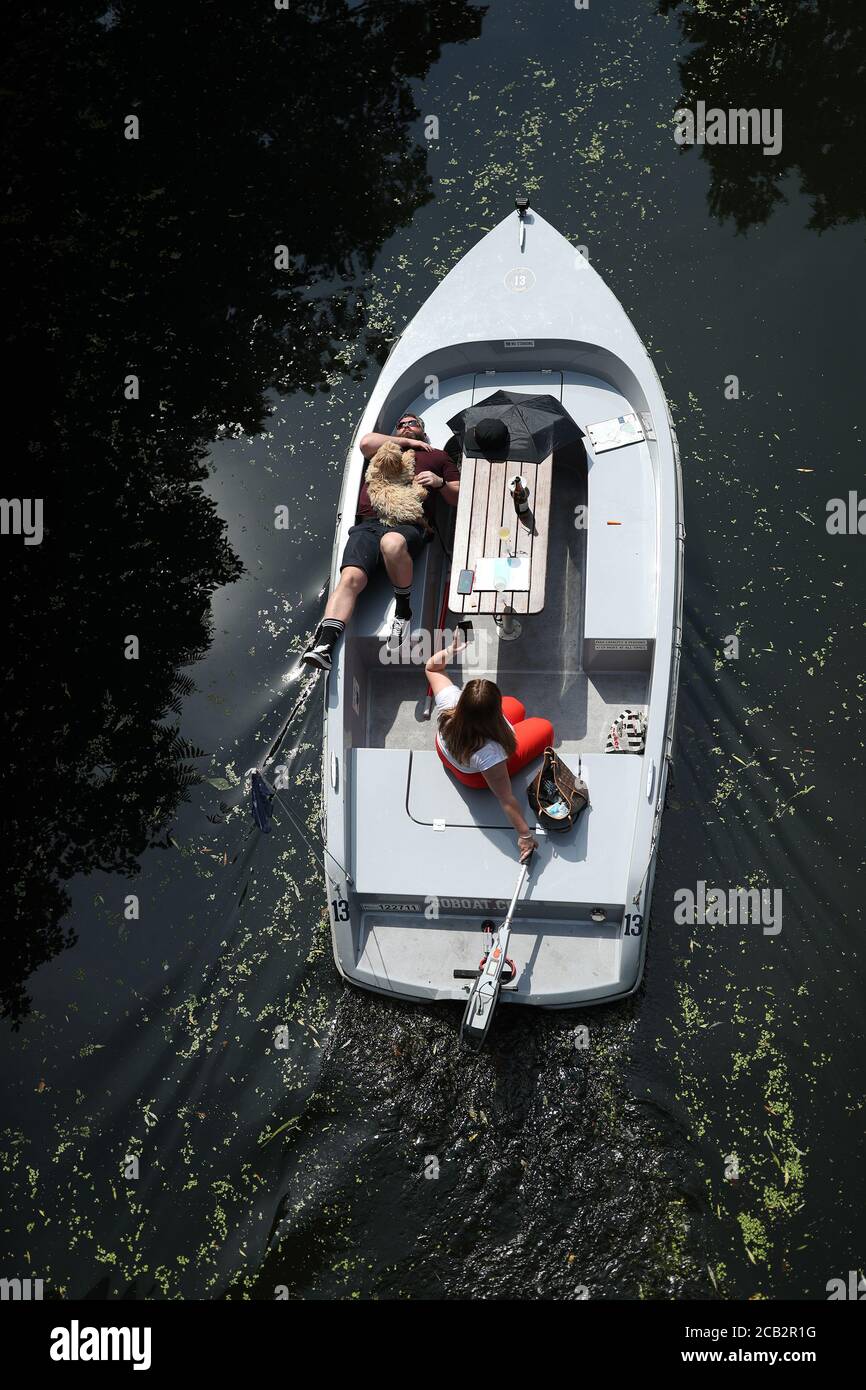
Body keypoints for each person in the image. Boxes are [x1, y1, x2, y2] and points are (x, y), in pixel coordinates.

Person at [302, 413, 460, 670]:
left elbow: (457, 496)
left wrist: (440, 482)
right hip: (368, 524)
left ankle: (404, 610)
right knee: (351, 578)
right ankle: (325, 645)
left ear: (424, 430)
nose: (407, 427)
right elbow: (365, 443)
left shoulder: (438, 456)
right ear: (396, 431)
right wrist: (407, 443)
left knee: (392, 544)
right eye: (402, 425)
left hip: (408, 524)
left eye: (413, 424)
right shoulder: (384, 449)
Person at [425, 637, 553, 863]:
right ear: (494, 713)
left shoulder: (449, 701)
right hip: (474, 775)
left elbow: (432, 666)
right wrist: (524, 834)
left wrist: (452, 649)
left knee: (516, 706)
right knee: (545, 728)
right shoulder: (489, 752)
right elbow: (505, 798)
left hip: (448, 749)